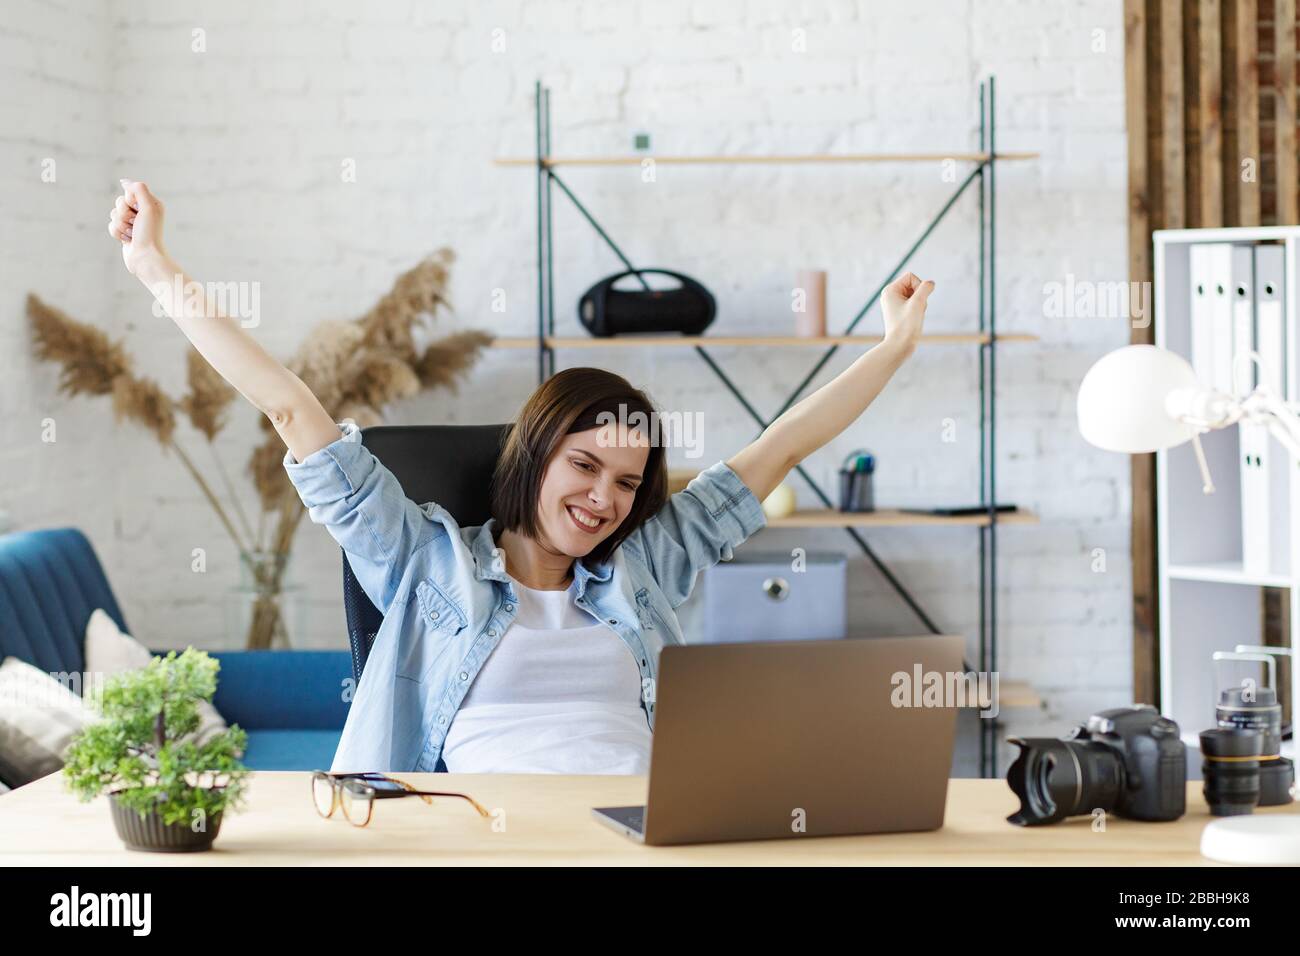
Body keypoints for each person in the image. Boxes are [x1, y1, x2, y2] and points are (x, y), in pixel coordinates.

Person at [107, 178, 934, 774]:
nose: (605, 499)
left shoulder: (641, 568)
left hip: (642, 837)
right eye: (584, 465)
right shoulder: (421, 560)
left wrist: (893, 348)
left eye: (626, 482)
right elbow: (289, 406)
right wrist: (155, 269)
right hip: (489, 843)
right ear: (535, 454)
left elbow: (782, 446)